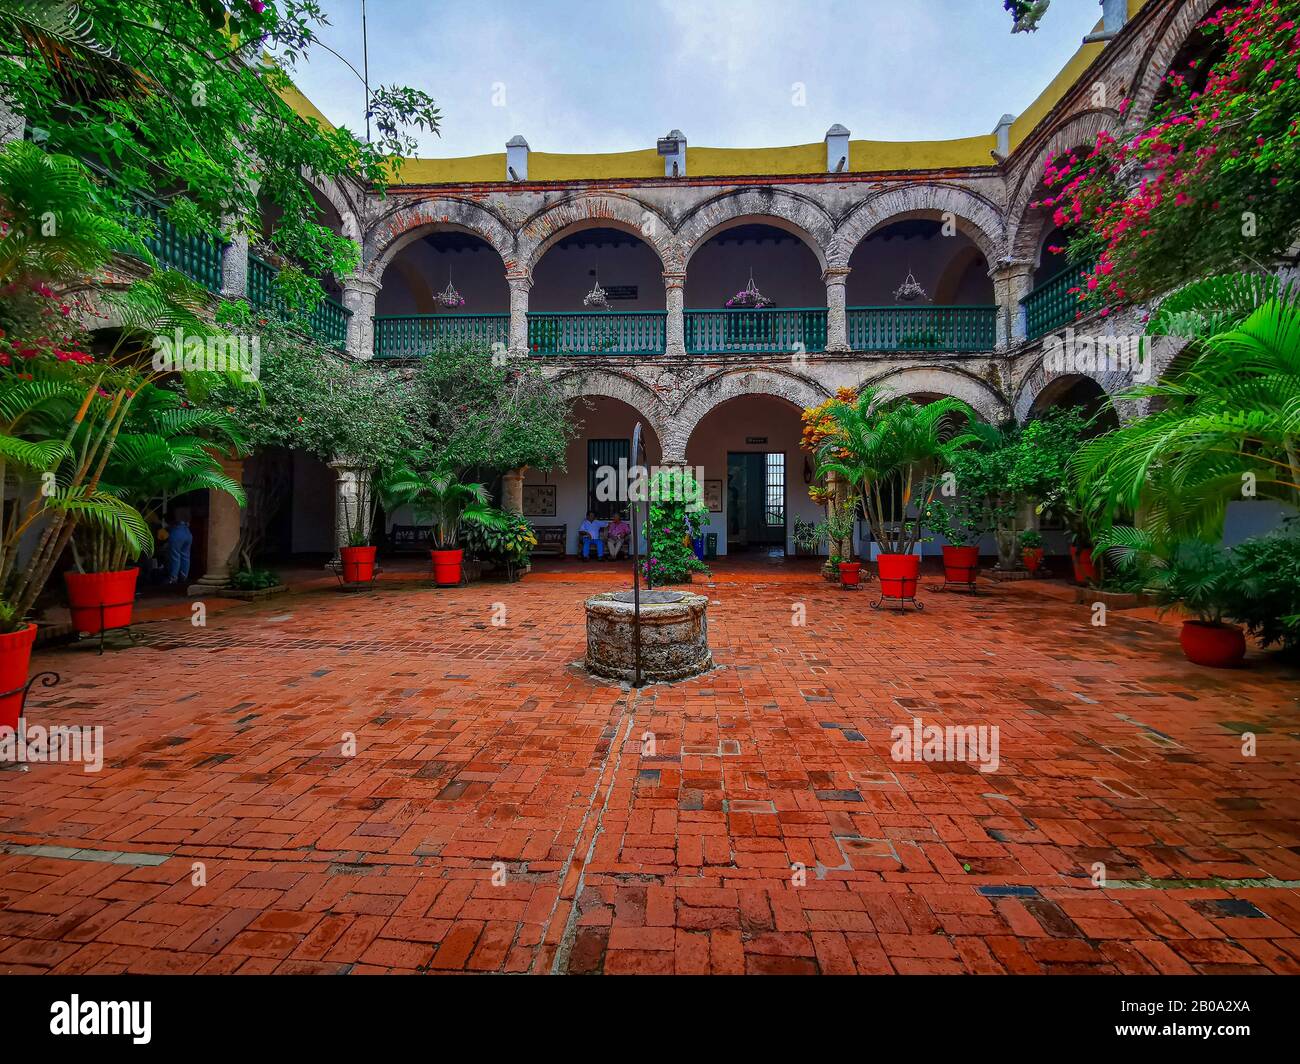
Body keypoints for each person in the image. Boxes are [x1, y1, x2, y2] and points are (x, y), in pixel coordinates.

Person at [166, 507, 193, 586]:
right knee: (186, 556)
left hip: (177, 532)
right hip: (187, 532)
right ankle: (184, 576)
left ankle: (173, 578)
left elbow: (171, 521)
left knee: (175, 556)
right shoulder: (186, 510)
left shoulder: (175, 509)